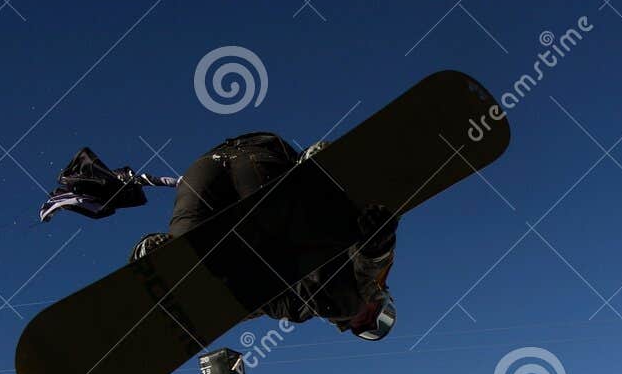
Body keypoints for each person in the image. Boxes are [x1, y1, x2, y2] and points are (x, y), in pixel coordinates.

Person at [45, 137, 397, 341]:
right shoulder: (361, 285)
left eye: (363, 329)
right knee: (335, 296)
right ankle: (311, 182)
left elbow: (243, 304)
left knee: (199, 262)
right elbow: (372, 261)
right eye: (377, 317)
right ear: (382, 300)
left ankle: (166, 258)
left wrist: (172, 282)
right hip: (265, 164)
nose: (364, 321)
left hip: (207, 172)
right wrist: (377, 239)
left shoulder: (295, 306)